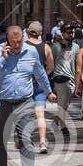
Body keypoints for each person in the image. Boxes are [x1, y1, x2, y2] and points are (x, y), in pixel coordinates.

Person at [0, 23, 52, 166]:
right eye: (13, 42)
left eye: (19, 41)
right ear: (7, 40)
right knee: (0, 143)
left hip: (24, 102)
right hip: (2, 103)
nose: (17, 45)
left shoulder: (31, 52)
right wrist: (3, 59)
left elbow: (40, 73)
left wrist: (48, 92)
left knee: (26, 139)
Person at [25, 21, 54, 153]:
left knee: (24, 115)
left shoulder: (23, 47)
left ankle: (25, 140)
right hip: (41, 87)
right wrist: (42, 76)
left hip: (26, 85)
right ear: (41, 33)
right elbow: (51, 67)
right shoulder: (46, 48)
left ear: (27, 32)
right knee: (40, 115)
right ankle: (42, 143)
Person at [50, 26, 77, 118]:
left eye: (71, 32)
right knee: (62, 103)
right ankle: (63, 127)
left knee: (66, 103)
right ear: (63, 33)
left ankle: (57, 121)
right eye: (68, 32)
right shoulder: (56, 46)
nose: (70, 34)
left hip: (71, 78)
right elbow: (51, 61)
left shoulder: (75, 47)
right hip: (59, 76)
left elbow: (78, 63)